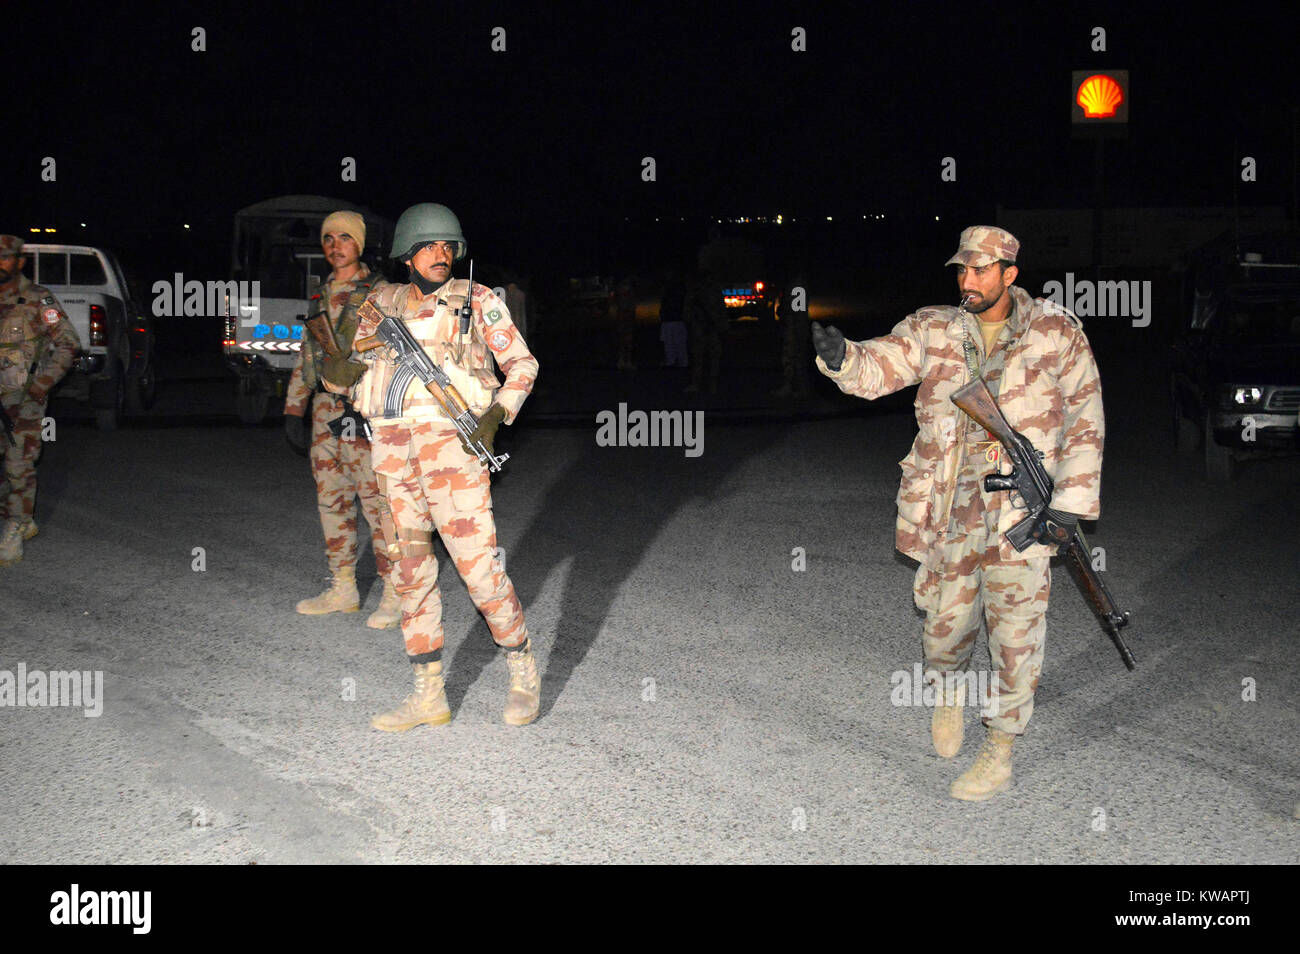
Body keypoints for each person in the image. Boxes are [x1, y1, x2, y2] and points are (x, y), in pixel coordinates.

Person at [811, 226, 1104, 801]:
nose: (967, 280)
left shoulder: (1056, 332)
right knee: (945, 630)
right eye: (962, 270)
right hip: (947, 507)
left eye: (980, 271)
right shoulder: (934, 326)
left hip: (1021, 512)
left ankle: (1000, 748)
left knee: (1016, 639)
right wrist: (844, 360)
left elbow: (1085, 420)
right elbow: (882, 369)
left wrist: (1069, 506)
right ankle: (947, 691)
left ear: (1010, 274)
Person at [322, 202, 541, 729]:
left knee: (479, 572)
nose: (440, 255)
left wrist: (497, 414)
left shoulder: (478, 300)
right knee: (410, 571)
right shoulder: (380, 302)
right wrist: (342, 354)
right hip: (393, 454)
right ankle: (427, 694)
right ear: (407, 254)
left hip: (453, 454)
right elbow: (343, 378)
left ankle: (523, 670)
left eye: (448, 247)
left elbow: (522, 364)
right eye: (429, 246)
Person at [283, 211, 399, 628]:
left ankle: (394, 593)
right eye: (329, 238)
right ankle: (344, 588)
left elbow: (396, 355)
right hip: (324, 415)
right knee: (331, 502)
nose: (335, 245)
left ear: (360, 244)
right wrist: (294, 408)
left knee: (378, 506)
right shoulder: (321, 293)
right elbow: (307, 355)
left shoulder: (381, 293)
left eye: (344, 238)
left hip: (365, 415)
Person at [0, 235, 80, 566]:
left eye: (5, 257)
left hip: (24, 401)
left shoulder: (37, 300)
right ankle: (17, 516)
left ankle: (15, 527)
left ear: (19, 262)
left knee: (18, 465)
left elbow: (68, 343)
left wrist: (42, 384)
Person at [657, 266, 688, 368]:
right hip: (674, 317)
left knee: (673, 341)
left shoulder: (673, 287)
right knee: (675, 341)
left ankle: (676, 360)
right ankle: (677, 361)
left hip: (673, 317)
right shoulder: (678, 287)